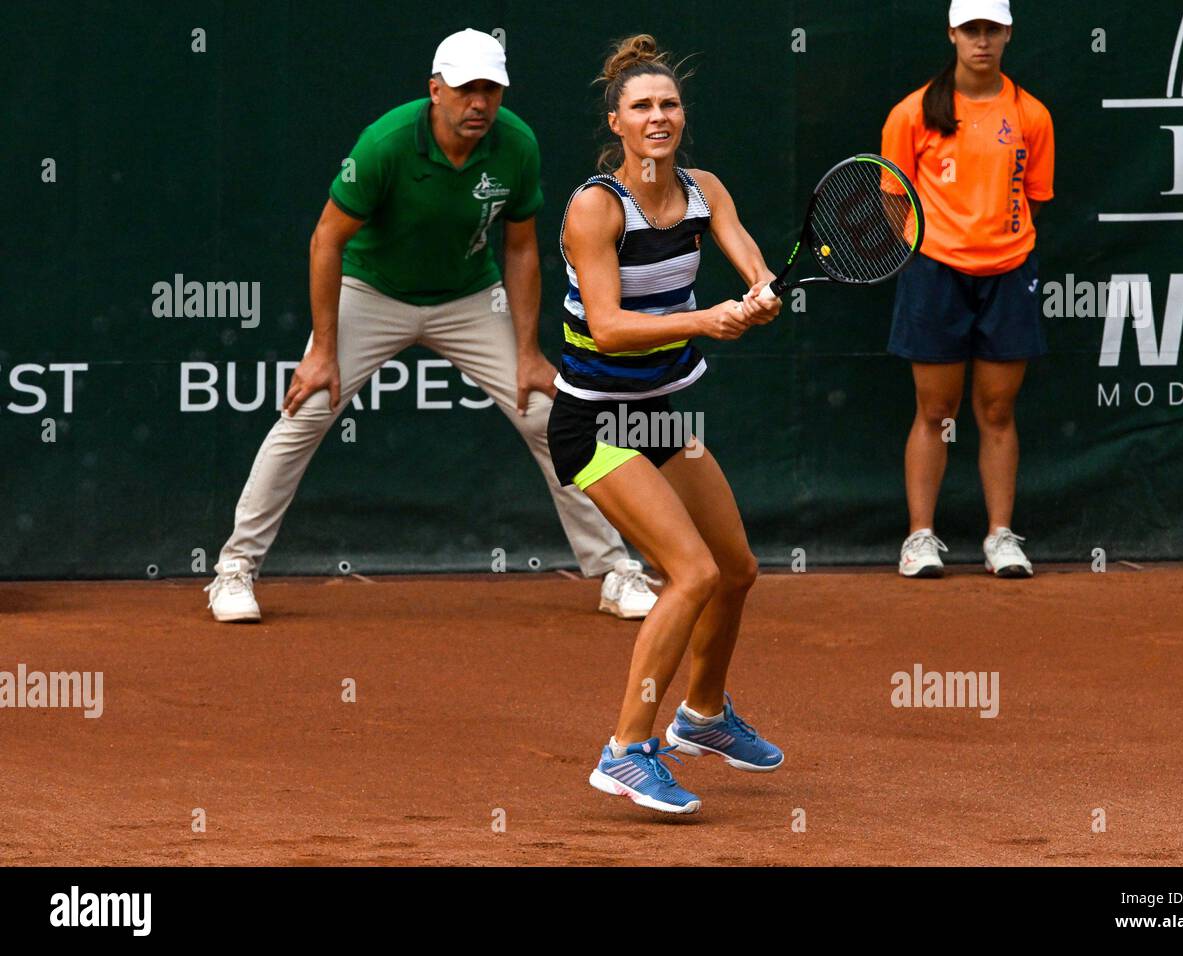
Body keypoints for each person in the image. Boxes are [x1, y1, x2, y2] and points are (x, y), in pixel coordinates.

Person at [204, 28, 659, 624]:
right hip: (372, 292)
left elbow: (521, 249)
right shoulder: (385, 143)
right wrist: (323, 348)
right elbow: (326, 240)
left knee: (549, 417)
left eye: (491, 90)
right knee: (306, 410)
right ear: (435, 90)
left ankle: (614, 571)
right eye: (467, 90)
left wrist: (526, 350)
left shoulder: (517, 144)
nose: (479, 104)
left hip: (471, 298)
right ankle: (234, 571)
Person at [551, 34, 784, 815]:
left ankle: (704, 716)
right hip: (594, 421)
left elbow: (745, 253)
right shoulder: (595, 207)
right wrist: (706, 318)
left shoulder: (703, 189)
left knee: (737, 568)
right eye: (642, 107)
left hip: (662, 413)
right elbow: (611, 327)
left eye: (669, 105)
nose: (659, 117)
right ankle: (625, 750)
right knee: (693, 574)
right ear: (616, 123)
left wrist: (759, 288)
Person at [880, 0, 1054, 578]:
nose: (982, 41)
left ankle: (1001, 537)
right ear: (952, 33)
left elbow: (1033, 195)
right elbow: (892, 195)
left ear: (1008, 34)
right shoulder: (911, 114)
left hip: (1009, 272)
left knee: (998, 410)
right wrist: (926, 247)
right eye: (972, 29)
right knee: (935, 409)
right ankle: (920, 538)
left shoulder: (1032, 115)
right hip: (934, 274)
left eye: (993, 30)